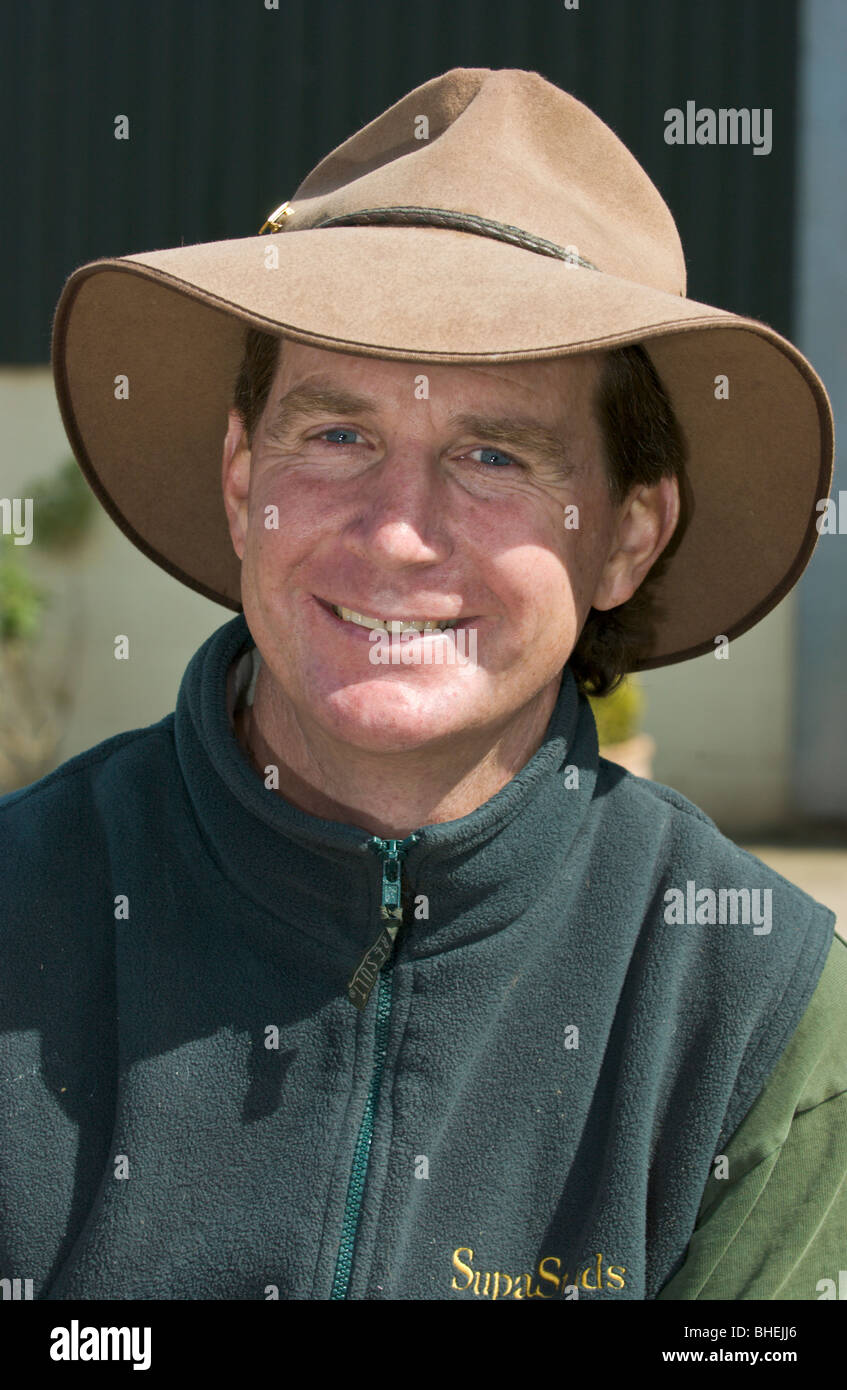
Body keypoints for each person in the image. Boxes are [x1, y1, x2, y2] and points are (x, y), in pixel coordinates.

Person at [2, 66, 845, 1302]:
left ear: (627, 536)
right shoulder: (25, 910)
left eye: (493, 454)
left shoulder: (756, 1011)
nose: (398, 535)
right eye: (337, 435)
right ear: (245, 480)